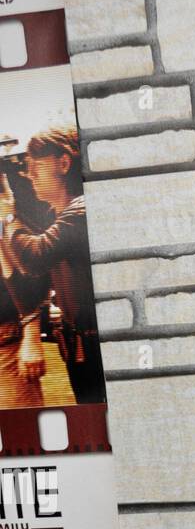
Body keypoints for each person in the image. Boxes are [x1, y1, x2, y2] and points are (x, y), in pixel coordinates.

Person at [0, 127, 104, 404]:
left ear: (64, 163)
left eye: (35, 166)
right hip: (76, 343)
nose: (29, 175)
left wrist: (8, 218)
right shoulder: (54, 216)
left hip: (95, 343)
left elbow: (34, 257)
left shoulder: (82, 209)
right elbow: (26, 276)